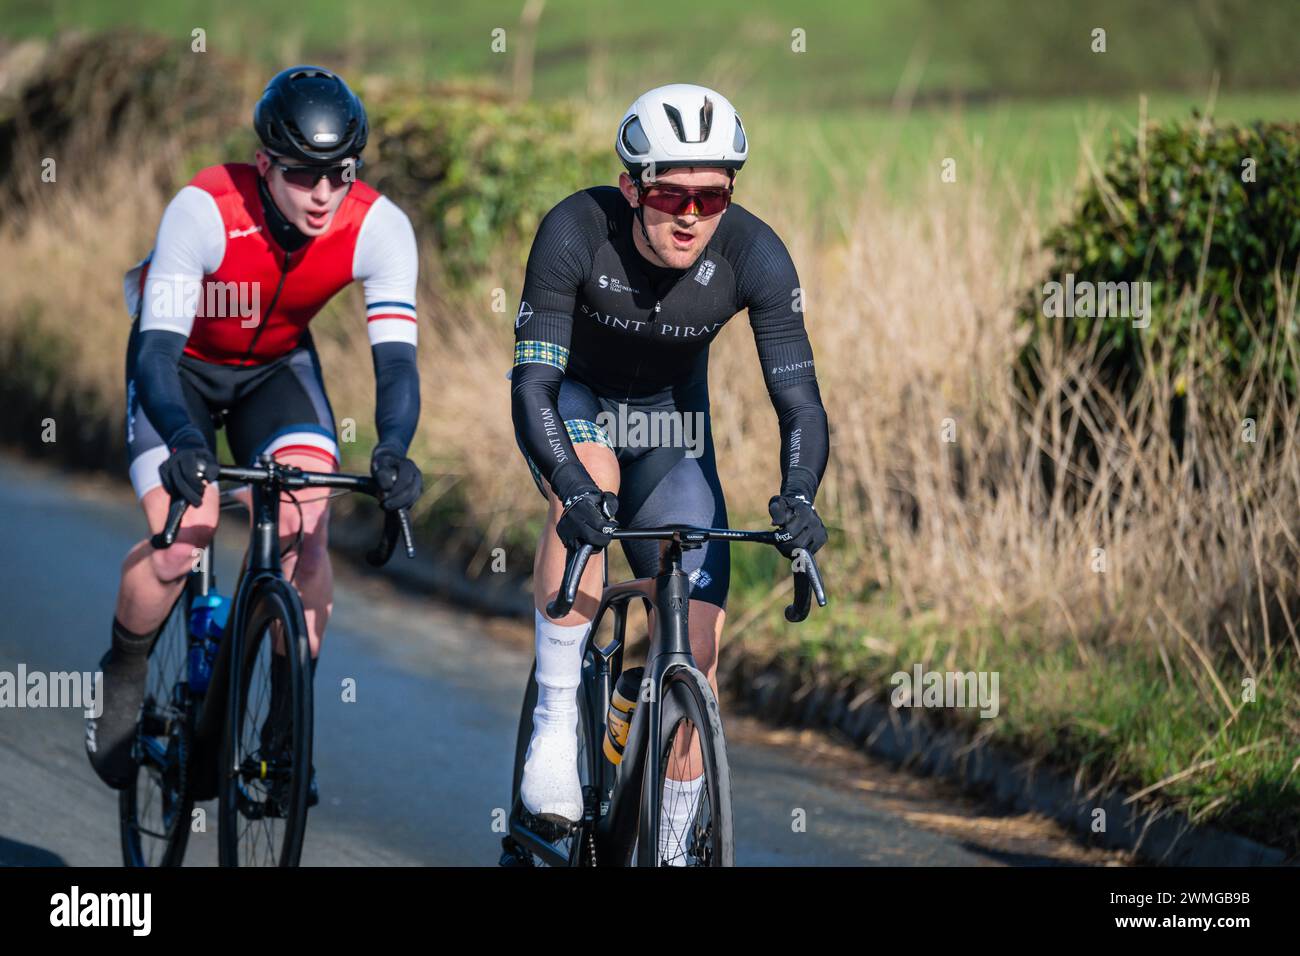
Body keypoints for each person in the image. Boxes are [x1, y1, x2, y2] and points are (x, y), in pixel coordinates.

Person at [85, 66, 424, 804]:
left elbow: (396, 365)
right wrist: (182, 439)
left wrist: (394, 447)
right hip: (182, 370)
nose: (324, 194)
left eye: (340, 173)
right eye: (304, 175)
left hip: (275, 371)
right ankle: (126, 668)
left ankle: (282, 733)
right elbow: (154, 353)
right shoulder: (205, 209)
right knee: (186, 534)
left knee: (307, 524)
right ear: (266, 165)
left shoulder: (379, 227)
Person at [510, 83, 829, 861]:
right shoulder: (575, 231)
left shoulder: (754, 252)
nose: (691, 214)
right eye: (669, 193)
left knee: (696, 645)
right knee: (586, 481)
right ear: (631, 187)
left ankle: (676, 839)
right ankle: (555, 725)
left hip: (668, 425)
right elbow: (533, 385)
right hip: (576, 407)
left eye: (712, 195)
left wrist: (798, 495)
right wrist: (577, 491)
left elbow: (800, 405)